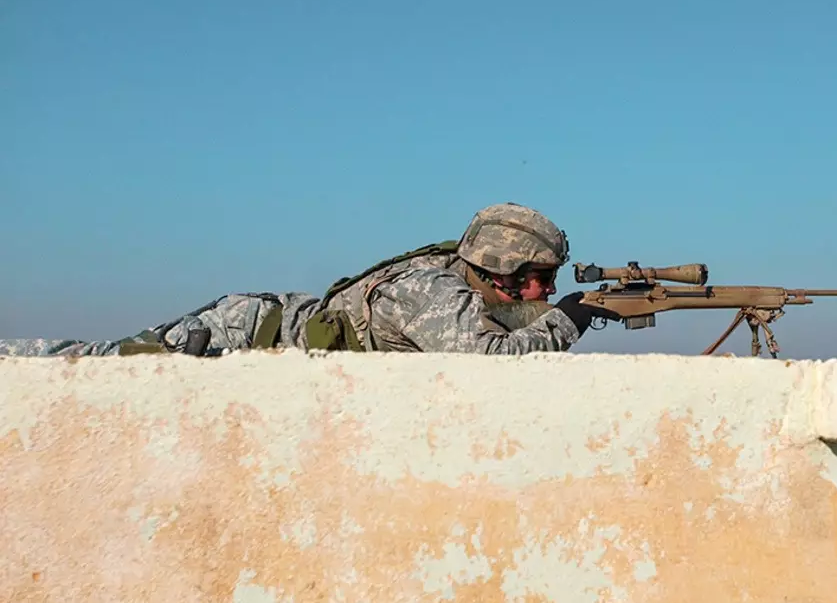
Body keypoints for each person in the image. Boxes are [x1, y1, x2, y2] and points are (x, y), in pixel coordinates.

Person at [0, 202, 618, 357]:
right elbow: (493, 356)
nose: (541, 292)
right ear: (502, 269)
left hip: (274, 319)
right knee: (102, 360)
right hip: (244, 332)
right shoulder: (434, 291)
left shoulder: (461, 283)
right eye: (538, 279)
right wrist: (573, 316)